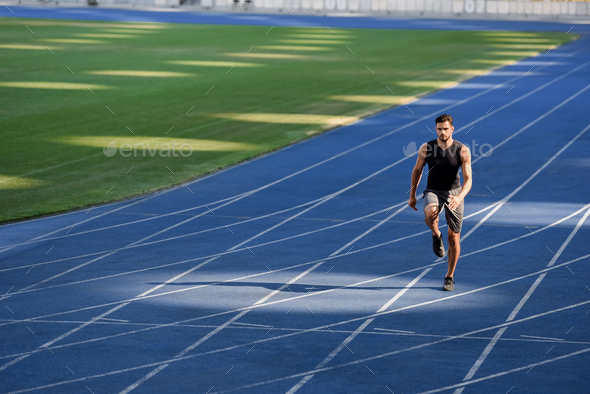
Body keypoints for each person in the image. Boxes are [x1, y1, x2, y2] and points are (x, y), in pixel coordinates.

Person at [407, 114, 472, 291]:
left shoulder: (462, 150)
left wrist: (459, 197)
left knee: (454, 238)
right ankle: (436, 234)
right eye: (439, 129)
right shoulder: (427, 147)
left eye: (445, 129)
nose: (442, 132)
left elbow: (469, 179)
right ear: (435, 129)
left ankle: (449, 276)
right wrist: (412, 195)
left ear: (452, 129)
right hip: (433, 190)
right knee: (429, 212)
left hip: (454, 193)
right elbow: (417, 170)